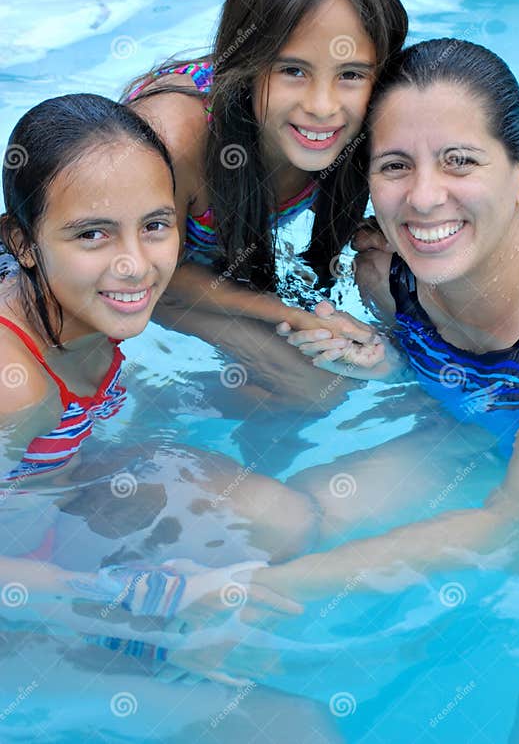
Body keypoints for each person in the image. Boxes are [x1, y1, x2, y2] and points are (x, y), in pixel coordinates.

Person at [249, 38, 519, 600]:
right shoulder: (387, 274)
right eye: (396, 166)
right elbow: (455, 387)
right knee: (288, 517)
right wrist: (387, 360)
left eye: (460, 162)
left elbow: (516, 534)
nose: (423, 199)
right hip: (471, 440)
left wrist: (266, 591)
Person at [0, 93, 311, 680]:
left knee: (281, 520)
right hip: (22, 572)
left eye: (154, 226)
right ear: (23, 244)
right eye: (93, 235)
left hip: (57, 498)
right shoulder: (15, 387)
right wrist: (144, 596)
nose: (136, 264)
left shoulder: (80, 308)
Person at [122, 0, 407, 341]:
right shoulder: (172, 138)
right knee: (303, 386)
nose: (322, 107)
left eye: (350, 74)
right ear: (249, 64)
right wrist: (291, 313)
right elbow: (145, 272)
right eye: (293, 70)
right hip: (156, 280)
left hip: (223, 259)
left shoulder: (377, 117)